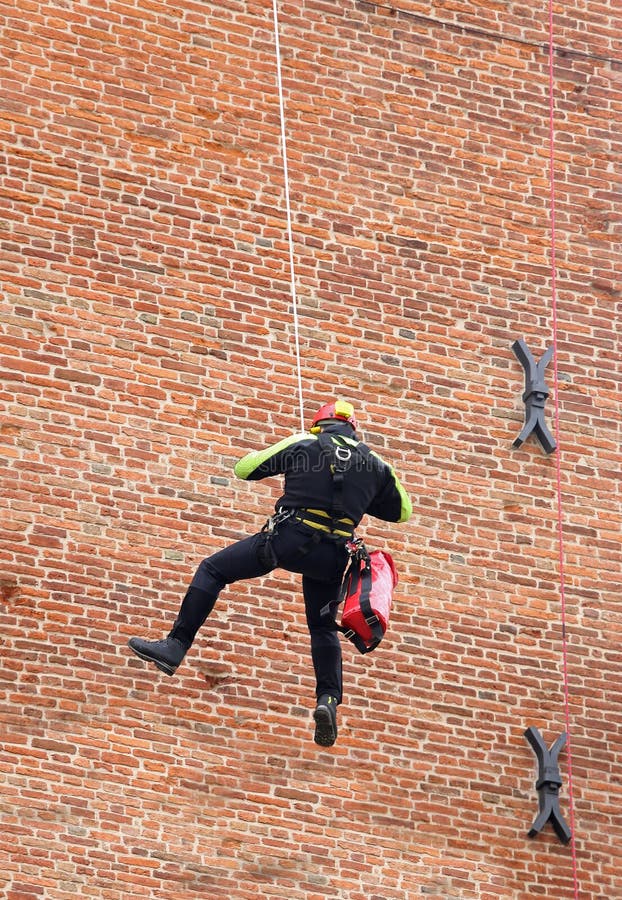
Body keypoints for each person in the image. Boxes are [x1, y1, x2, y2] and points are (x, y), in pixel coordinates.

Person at [128, 400, 412, 746]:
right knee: (322, 627)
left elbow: (244, 468)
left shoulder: (304, 443)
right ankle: (328, 701)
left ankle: (175, 646)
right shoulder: (376, 465)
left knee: (213, 570)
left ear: (318, 425)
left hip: (288, 540)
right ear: (353, 429)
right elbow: (402, 512)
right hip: (332, 557)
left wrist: (294, 452)